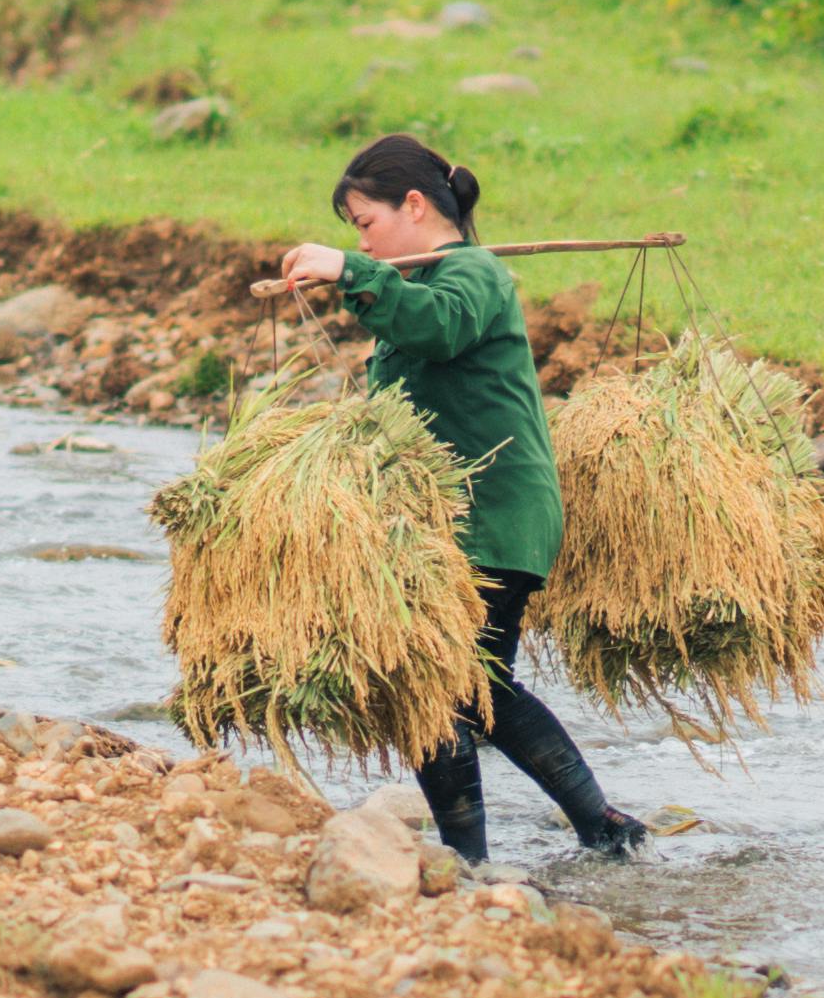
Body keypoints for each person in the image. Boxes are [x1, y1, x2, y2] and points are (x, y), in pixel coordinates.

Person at [271, 134, 646, 871]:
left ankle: (589, 827)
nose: (362, 240)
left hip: (497, 517)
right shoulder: (424, 280)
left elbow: (435, 328)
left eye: (365, 224)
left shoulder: (473, 275)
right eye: (352, 233)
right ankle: (483, 855)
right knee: (440, 687)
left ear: (414, 206)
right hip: (447, 523)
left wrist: (348, 270)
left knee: (471, 686)